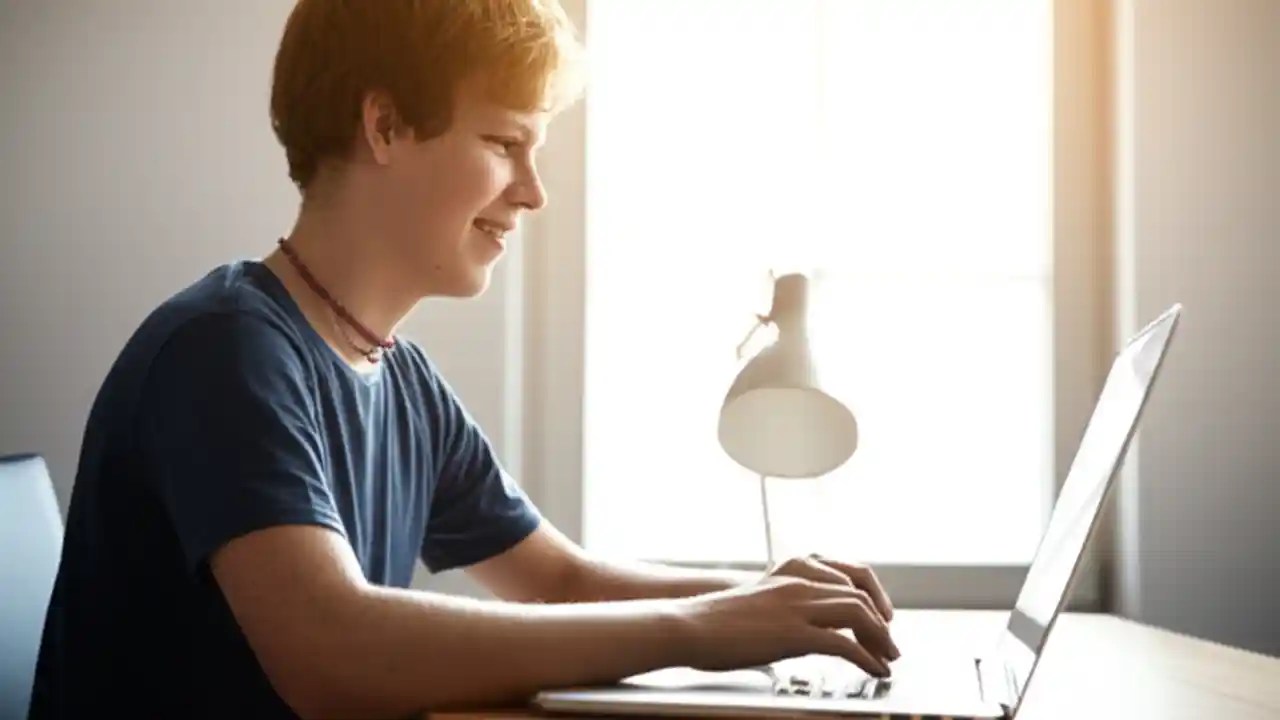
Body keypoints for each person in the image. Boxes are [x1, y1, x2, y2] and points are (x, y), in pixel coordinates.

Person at [28, 2, 899, 718]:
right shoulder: (224, 353)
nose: (533, 190)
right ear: (385, 125)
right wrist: (705, 627)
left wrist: (763, 601)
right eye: (504, 143)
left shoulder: (397, 376)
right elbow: (334, 655)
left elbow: (555, 580)